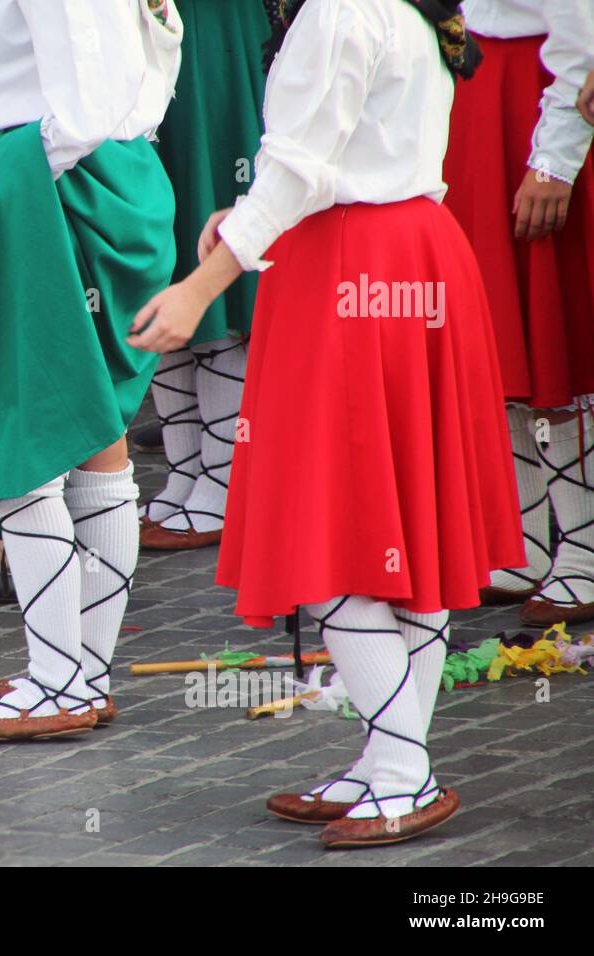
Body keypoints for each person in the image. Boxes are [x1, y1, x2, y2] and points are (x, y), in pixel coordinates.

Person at [129, 0, 522, 847]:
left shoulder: (337, 13)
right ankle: (387, 763)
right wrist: (242, 224)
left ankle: (403, 772)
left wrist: (200, 288)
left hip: (351, 271)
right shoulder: (407, 9)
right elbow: (335, 158)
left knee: (334, 534)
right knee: (406, 533)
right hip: (415, 256)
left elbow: (300, 170)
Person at [0, 0, 182, 741]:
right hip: (122, 171)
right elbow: (162, 46)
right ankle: (81, 672)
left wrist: (35, 169)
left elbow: (85, 100)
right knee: (97, 436)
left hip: (54, 178)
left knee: (20, 437)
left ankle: (59, 678)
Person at [443, 0, 594, 625]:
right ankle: (524, 541)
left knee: (550, 333)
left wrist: (555, 159)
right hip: (474, 100)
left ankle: (583, 548)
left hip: (537, 103)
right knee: (498, 337)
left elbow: (583, 35)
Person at [140, 0, 269, 552]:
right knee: (160, 259)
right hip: (151, 38)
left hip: (217, 36)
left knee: (211, 244)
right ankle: (185, 468)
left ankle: (224, 479)